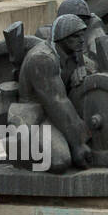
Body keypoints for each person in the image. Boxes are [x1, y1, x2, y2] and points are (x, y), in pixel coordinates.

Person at [15, 14, 94, 173]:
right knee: (60, 160)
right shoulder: (43, 58)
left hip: (55, 113)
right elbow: (58, 102)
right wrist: (77, 144)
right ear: (63, 38)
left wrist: (83, 68)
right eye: (76, 36)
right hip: (35, 117)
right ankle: (19, 153)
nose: (82, 40)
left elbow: (93, 68)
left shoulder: (71, 52)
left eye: (82, 35)